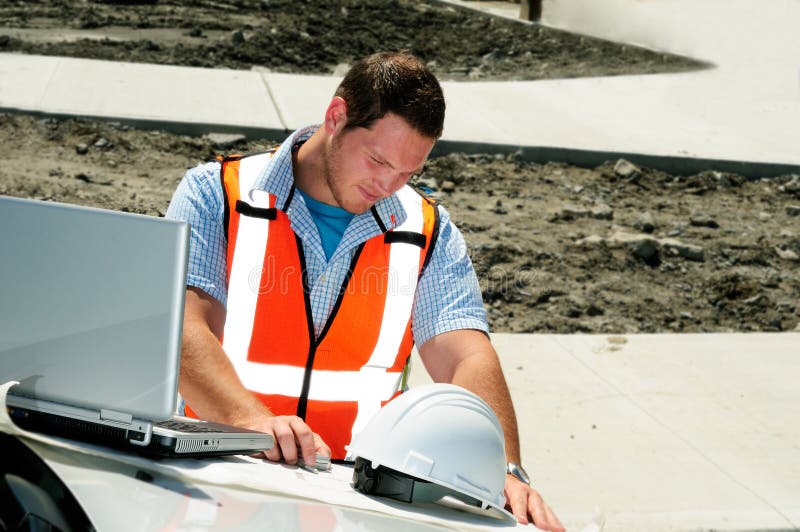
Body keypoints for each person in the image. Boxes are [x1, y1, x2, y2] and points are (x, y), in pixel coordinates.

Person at [166, 51, 563, 530]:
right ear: (336, 117)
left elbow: (466, 358)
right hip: (218, 476)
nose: (388, 184)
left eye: (407, 172)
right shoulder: (218, 195)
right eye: (378, 160)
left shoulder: (427, 229)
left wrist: (504, 469)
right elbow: (182, 331)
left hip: (353, 500)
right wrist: (248, 420)